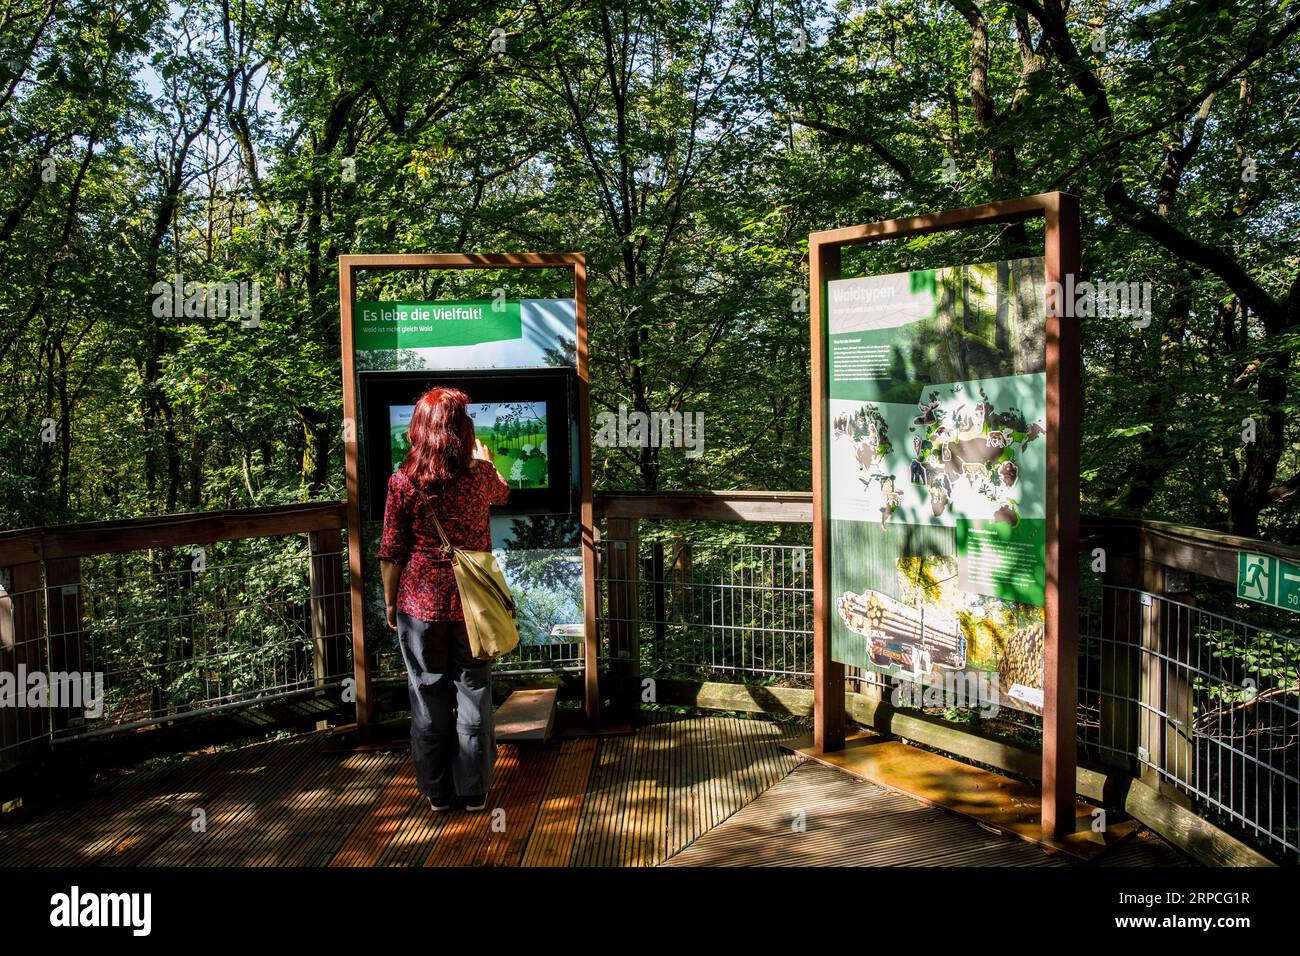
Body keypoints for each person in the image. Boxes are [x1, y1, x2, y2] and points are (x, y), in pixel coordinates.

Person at [377, 387, 510, 813]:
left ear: (420, 429)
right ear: (461, 429)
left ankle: (437, 793)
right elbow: (503, 493)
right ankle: (474, 792)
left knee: (426, 692)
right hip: (474, 605)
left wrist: (389, 601)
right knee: (474, 689)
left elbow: (391, 551)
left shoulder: (403, 480)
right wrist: (486, 460)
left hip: (419, 602)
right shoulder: (480, 476)